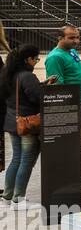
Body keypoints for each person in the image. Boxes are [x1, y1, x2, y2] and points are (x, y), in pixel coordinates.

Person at [46, 25, 81, 188]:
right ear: (60, 38)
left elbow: (80, 75)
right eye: (71, 37)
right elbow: (57, 85)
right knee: (66, 142)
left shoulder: (72, 52)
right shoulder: (55, 57)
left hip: (79, 102)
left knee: (72, 142)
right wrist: (68, 108)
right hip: (68, 105)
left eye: (77, 37)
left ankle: (70, 174)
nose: (76, 40)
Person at [1, 44, 43, 205]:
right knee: (26, 160)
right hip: (27, 125)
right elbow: (37, 97)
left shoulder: (8, 74)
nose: (37, 62)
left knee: (16, 158)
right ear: (28, 59)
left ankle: (7, 196)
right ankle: (19, 199)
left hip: (13, 122)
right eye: (36, 59)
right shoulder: (27, 76)